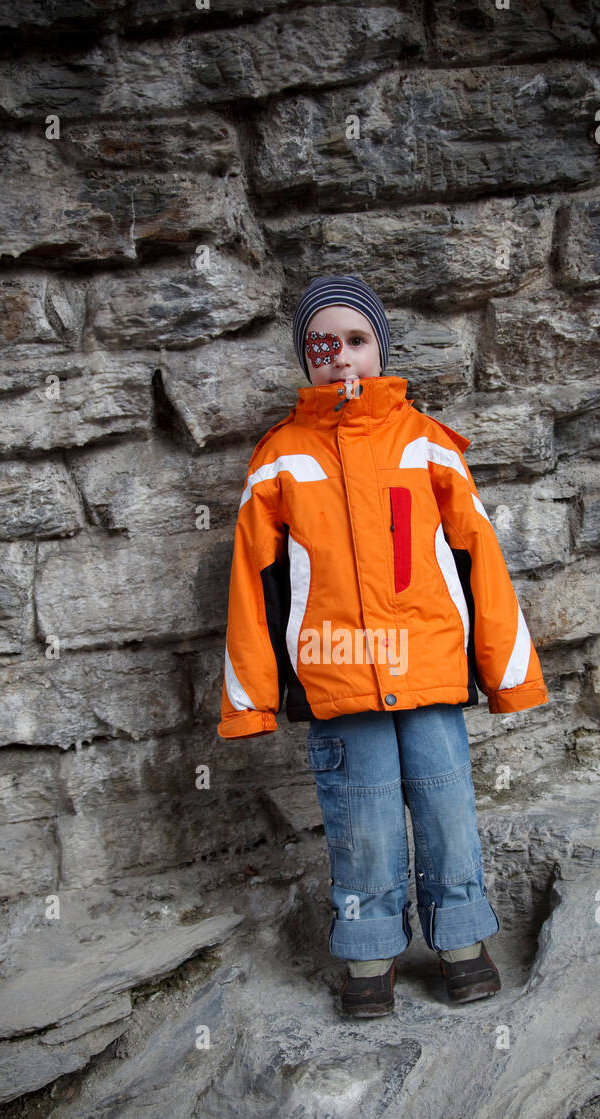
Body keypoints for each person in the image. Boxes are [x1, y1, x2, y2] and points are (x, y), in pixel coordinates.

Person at [217, 275, 548, 1018]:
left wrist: (509, 675)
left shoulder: (427, 446)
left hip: (429, 673)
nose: (342, 360)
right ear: (306, 358)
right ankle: (368, 948)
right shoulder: (279, 460)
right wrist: (250, 701)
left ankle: (461, 937)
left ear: (381, 346)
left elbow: (480, 563)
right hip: (337, 680)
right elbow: (251, 585)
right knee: (360, 818)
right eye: (323, 345)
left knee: (447, 809)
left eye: (357, 341)